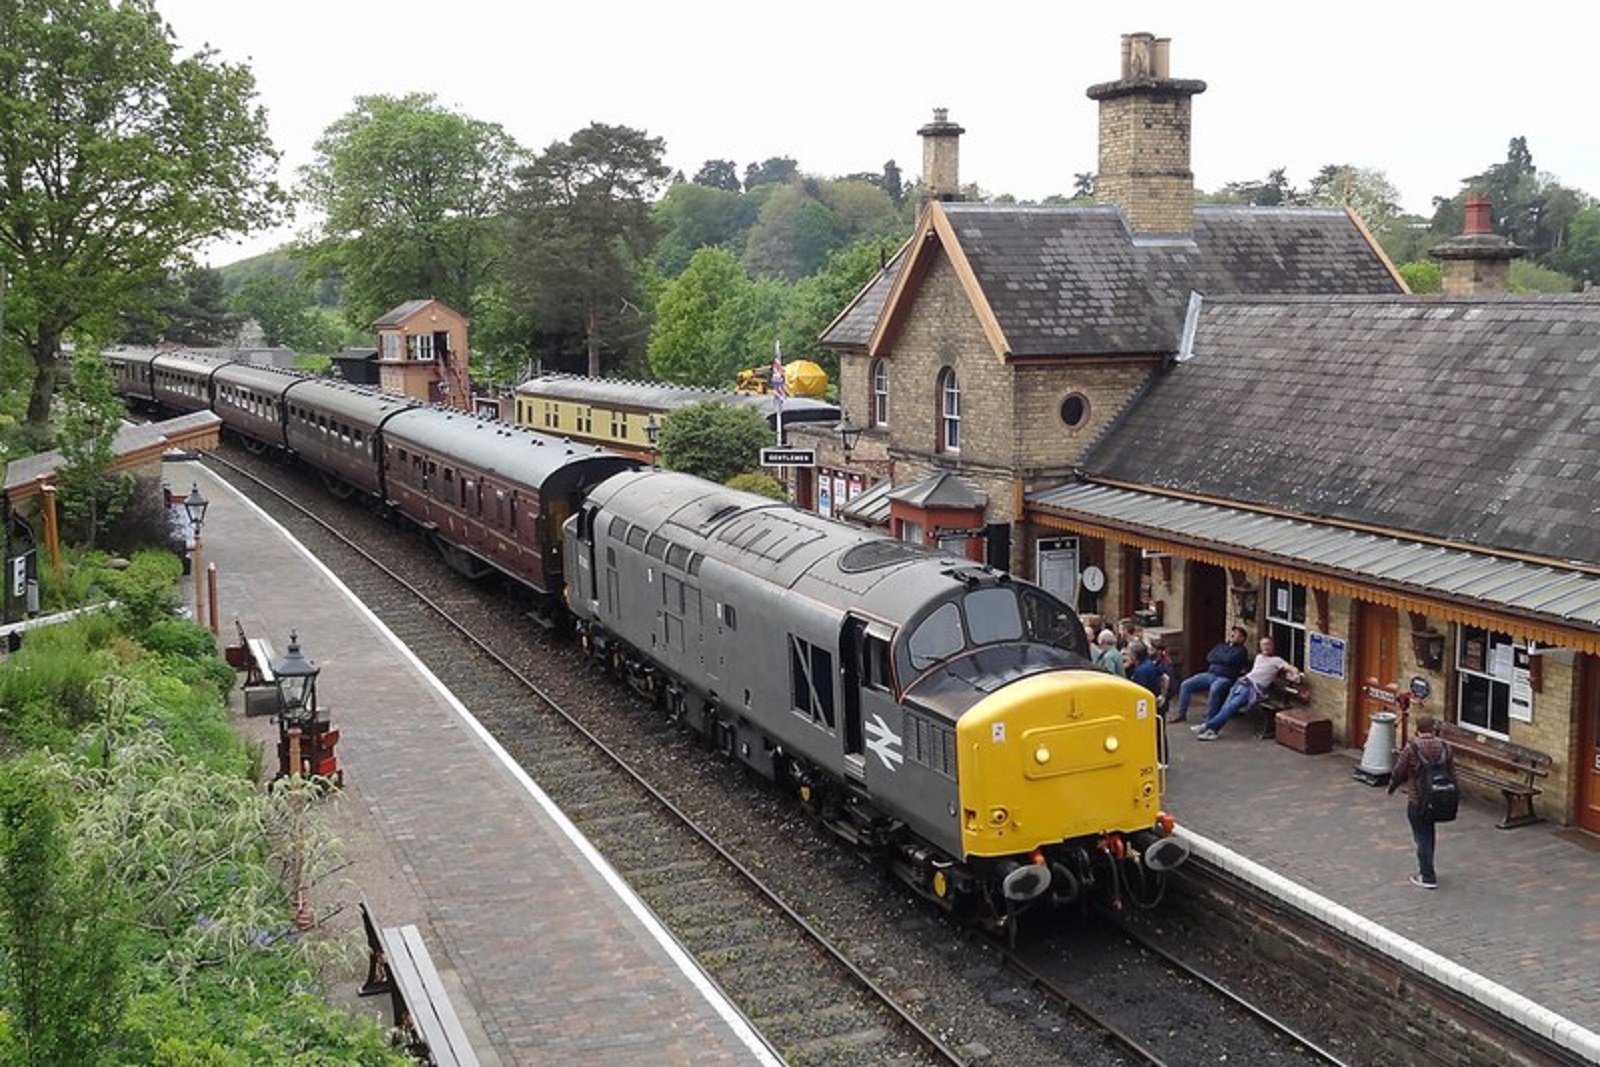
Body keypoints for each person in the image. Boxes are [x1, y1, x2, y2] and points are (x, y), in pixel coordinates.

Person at [1386, 715, 1452, 889]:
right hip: (1438, 797)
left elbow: (1399, 770)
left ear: (1418, 729)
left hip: (1418, 799)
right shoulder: (1445, 746)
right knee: (1429, 835)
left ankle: (1427, 876)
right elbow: (1451, 771)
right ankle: (1428, 866)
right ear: (1433, 729)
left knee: (1421, 837)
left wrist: (1392, 787)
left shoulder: (1412, 748)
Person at [1192, 636, 1301, 739]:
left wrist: (1295, 673)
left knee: (1232, 707)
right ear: (1260, 647)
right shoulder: (1258, 657)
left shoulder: (1277, 660)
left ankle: (1207, 726)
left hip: (1253, 688)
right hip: (1242, 683)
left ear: (1273, 646)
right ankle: (1212, 730)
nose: (1266, 647)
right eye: (1263, 645)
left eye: (1268, 644)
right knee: (1226, 707)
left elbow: (1290, 668)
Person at [1170, 626, 1249, 723]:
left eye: (1236, 634)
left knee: (1215, 689)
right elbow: (1210, 656)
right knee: (1186, 684)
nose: (1232, 635)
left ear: (1242, 638)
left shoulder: (1241, 651)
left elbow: (1229, 660)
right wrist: (1222, 658)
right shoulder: (1221, 645)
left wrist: (1219, 658)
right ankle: (1181, 714)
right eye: (1232, 633)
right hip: (1210, 674)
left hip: (1225, 678)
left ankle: (1210, 719)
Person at [1129, 641, 1169, 710]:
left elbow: (1139, 693)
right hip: (1155, 702)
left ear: (1134, 655)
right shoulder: (1150, 663)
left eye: (1129, 653)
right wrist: (1162, 696)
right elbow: (1165, 678)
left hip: (1148, 706)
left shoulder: (1140, 671)